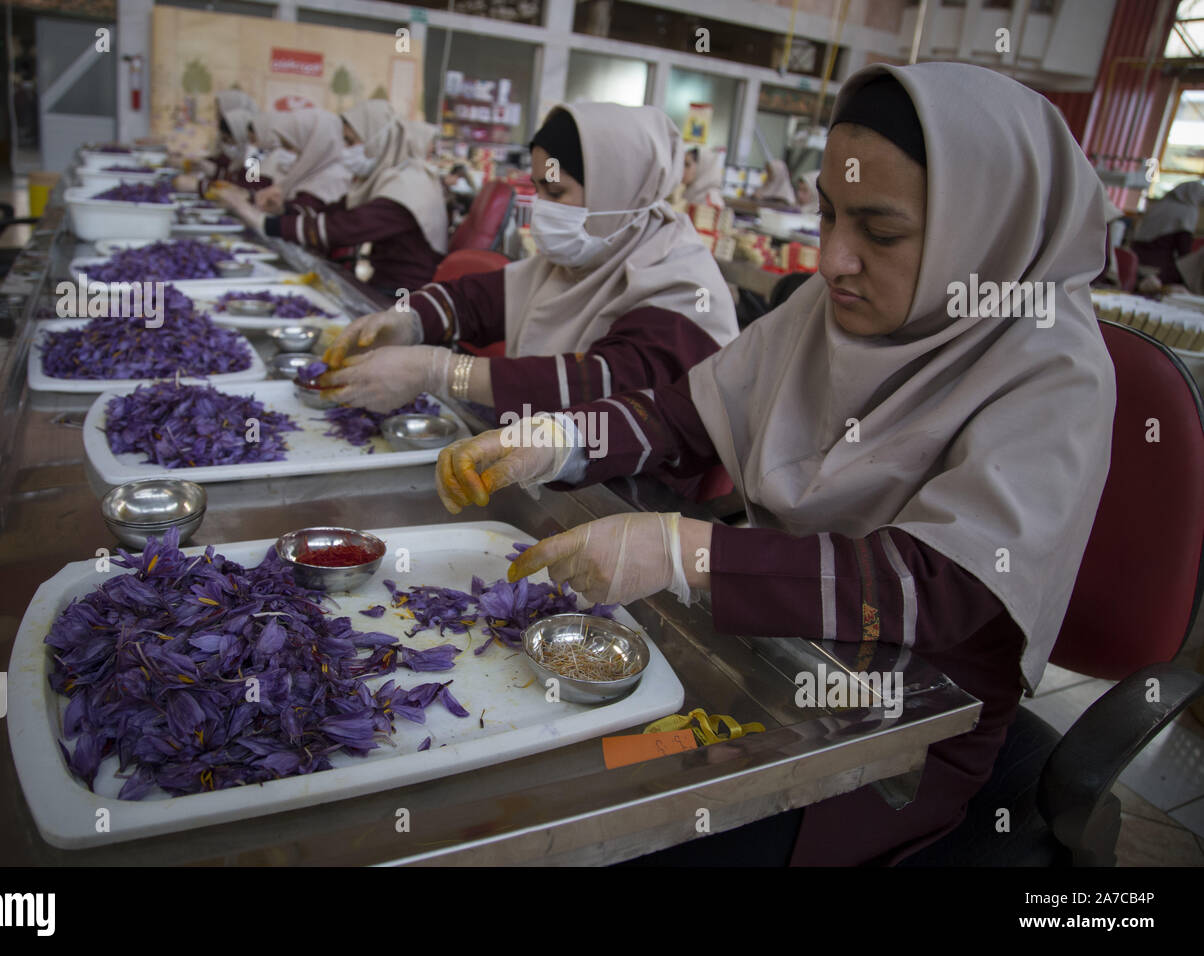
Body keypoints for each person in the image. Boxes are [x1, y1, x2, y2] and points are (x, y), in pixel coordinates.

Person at [433, 64, 1116, 866]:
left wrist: (693, 554)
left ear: (986, 227)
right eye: (826, 215)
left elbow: (944, 586)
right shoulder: (816, 319)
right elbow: (680, 415)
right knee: (555, 777)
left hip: (899, 724)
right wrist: (556, 440)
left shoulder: (1052, 371)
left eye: (881, 232)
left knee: (632, 840)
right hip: (768, 659)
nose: (832, 260)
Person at [313, 103, 740, 433]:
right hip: (549, 454)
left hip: (637, 498)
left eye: (557, 191)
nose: (542, 210)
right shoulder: (588, 255)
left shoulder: (682, 284)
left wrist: (438, 371)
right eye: (537, 190)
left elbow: (604, 381)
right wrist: (406, 321)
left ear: (619, 190)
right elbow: (481, 299)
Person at [225, 100, 448, 293]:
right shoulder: (389, 178)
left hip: (403, 293)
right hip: (384, 281)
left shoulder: (407, 187)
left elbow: (346, 227)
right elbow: (339, 211)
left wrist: (266, 223)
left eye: (351, 142)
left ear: (378, 140)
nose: (345, 151)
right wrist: (282, 212)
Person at [1129, 180, 1204, 285]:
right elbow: (1184, 248)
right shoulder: (1188, 211)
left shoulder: (1159, 205)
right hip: (1157, 267)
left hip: (1134, 257)